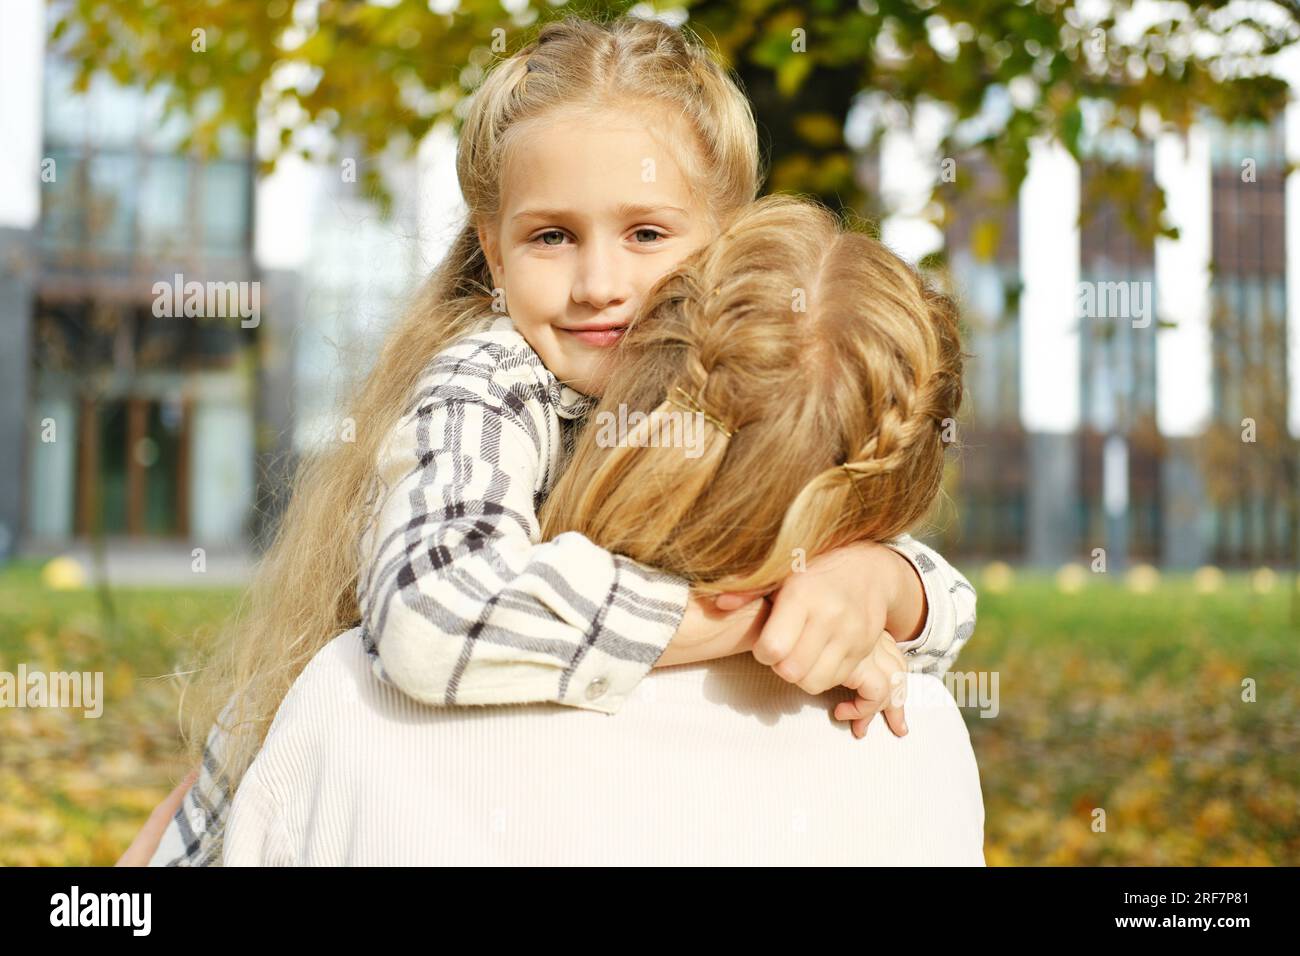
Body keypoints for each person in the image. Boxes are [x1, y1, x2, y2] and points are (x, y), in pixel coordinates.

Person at [139, 16, 975, 867]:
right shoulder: (494, 380)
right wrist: (741, 620)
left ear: (726, 238)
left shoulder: (737, 382)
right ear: (495, 257)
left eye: (646, 234)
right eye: (552, 237)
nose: (599, 286)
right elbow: (429, 613)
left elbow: (929, 597)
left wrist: (879, 581)